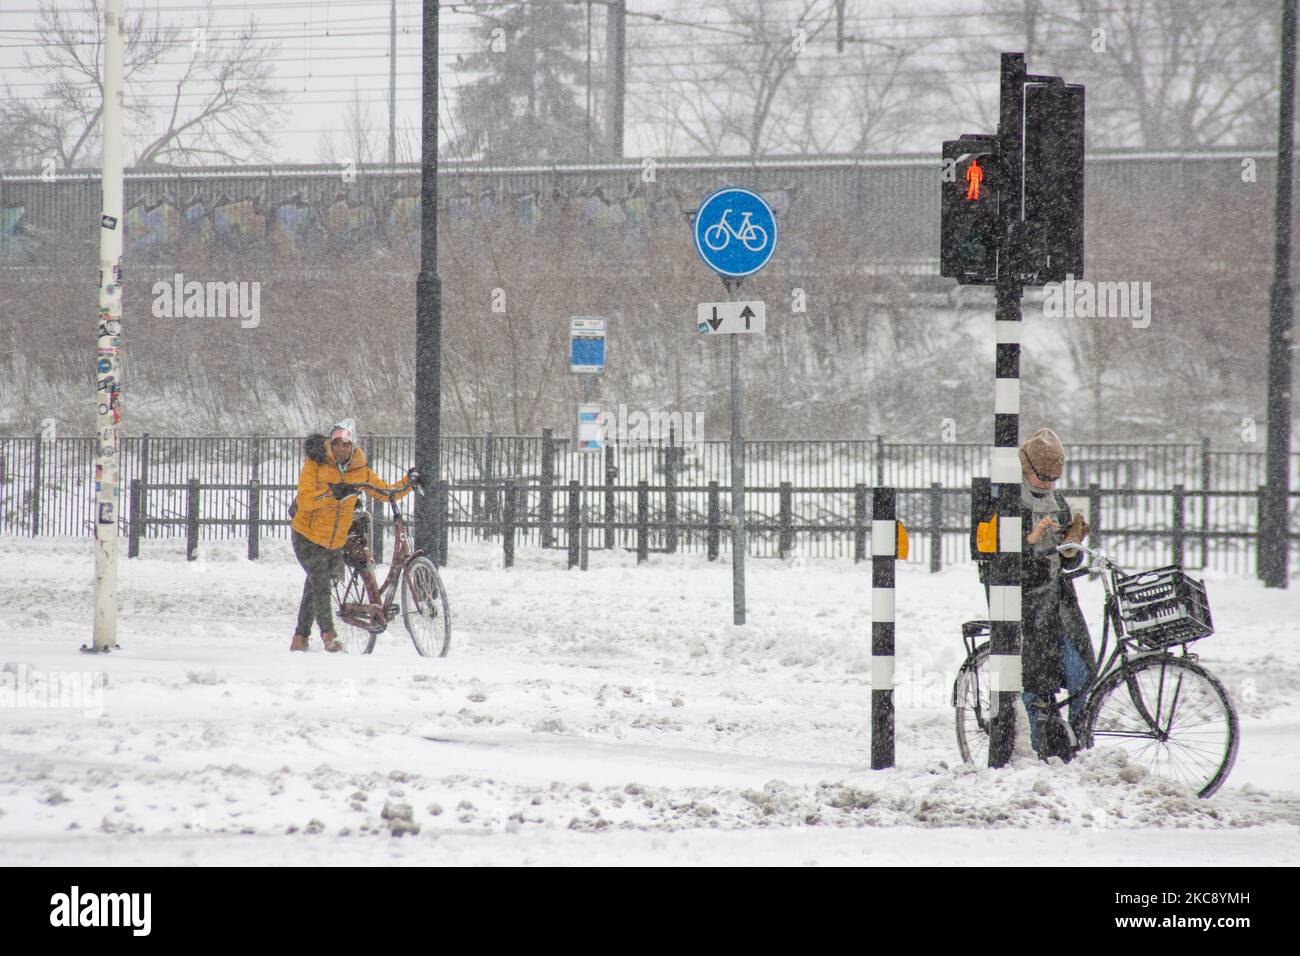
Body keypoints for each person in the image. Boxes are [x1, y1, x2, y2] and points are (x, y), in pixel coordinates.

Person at [981, 428, 1095, 757]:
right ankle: (1038, 741)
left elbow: (1066, 560)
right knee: (1035, 673)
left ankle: (1078, 739)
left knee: (1080, 668)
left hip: (1058, 602)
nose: (1047, 484)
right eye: (1042, 477)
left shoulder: (1057, 502)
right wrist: (1029, 541)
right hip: (1025, 604)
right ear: (1025, 467)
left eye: (1053, 478)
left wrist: (1071, 549)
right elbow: (999, 556)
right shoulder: (1006, 499)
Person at [288, 419, 413, 652]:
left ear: (353, 446)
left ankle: (300, 638)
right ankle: (329, 635)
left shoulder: (359, 470)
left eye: (346, 444)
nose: (341, 449)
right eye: (336, 443)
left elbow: (384, 491)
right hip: (306, 535)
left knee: (315, 585)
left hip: (333, 540)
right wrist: (330, 493)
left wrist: (409, 482)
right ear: (330, 443)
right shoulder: (315, 465)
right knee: (321, 583)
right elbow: (304, 500)